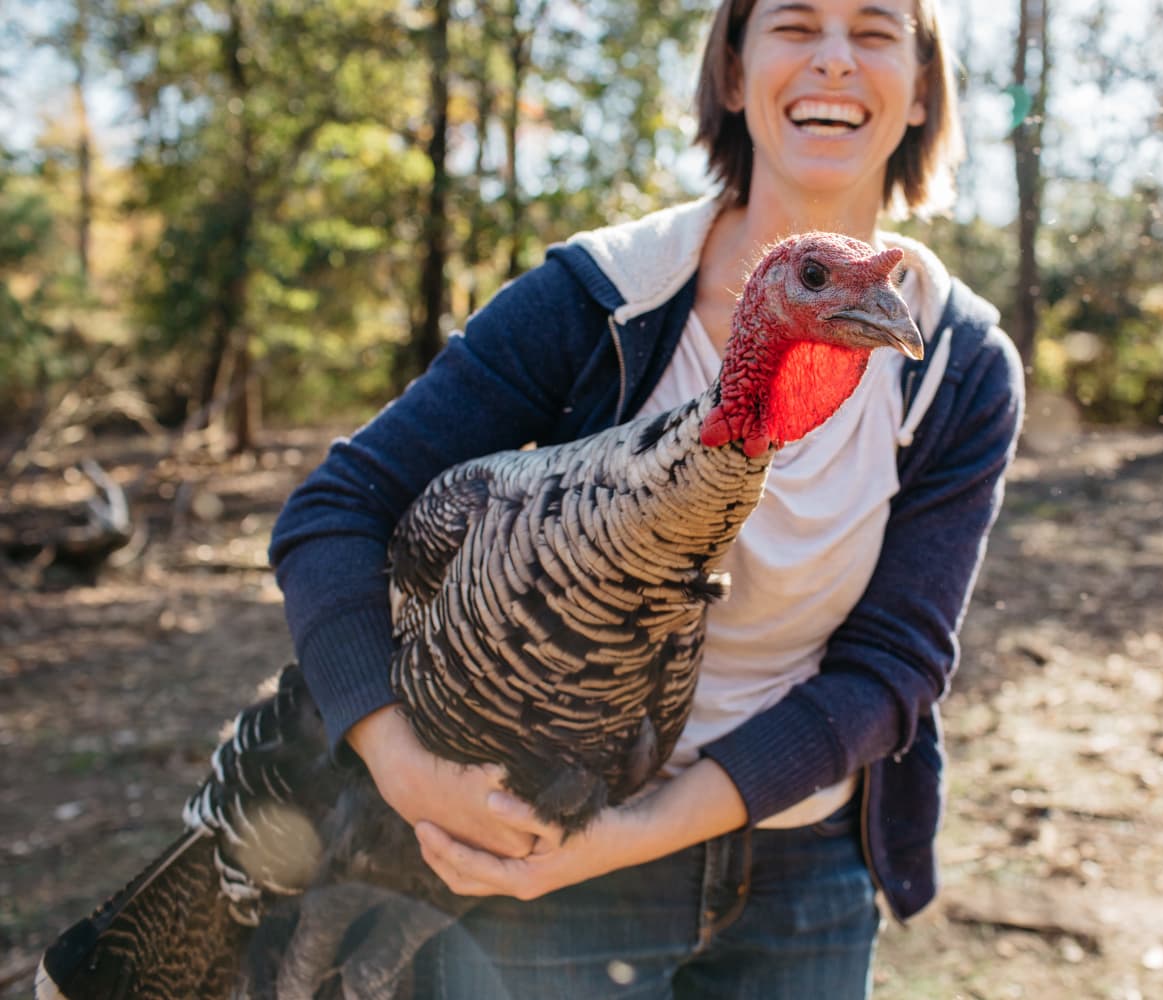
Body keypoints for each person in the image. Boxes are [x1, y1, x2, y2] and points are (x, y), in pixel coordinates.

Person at [268, 0, 1023, 994]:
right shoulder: (601, 296)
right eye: (795, 24)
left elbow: (893, 665)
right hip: (548, 846)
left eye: (876, 30)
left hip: (802, 860)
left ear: (923, 87)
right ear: (730, 72)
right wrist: (397, 757)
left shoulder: (958, 365)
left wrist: (634, 834)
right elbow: (336, 511)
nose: (835, 60)